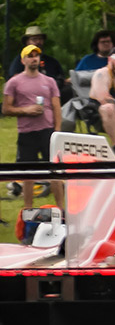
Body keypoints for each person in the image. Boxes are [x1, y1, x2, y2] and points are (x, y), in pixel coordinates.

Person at [2, 44, 63, 212]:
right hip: (27, 132)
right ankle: (28, 211)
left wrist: (57, 131)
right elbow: (6, 109)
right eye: (30, 56)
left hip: (47, 132)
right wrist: (25, 110)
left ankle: (61, 210)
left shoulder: (49, 81)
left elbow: (57, 107)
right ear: (23, 60)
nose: (34, 58)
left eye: (36, 55)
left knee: (54, 172)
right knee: (28, 174)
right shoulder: (14, 82)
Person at [7, 26, 66, 94]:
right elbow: (14, 81)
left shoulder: (52, 61)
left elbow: (61, 78)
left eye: (40, 39)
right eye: (34, 39)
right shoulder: (19, 61)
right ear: (27, 42)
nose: (38, 42)